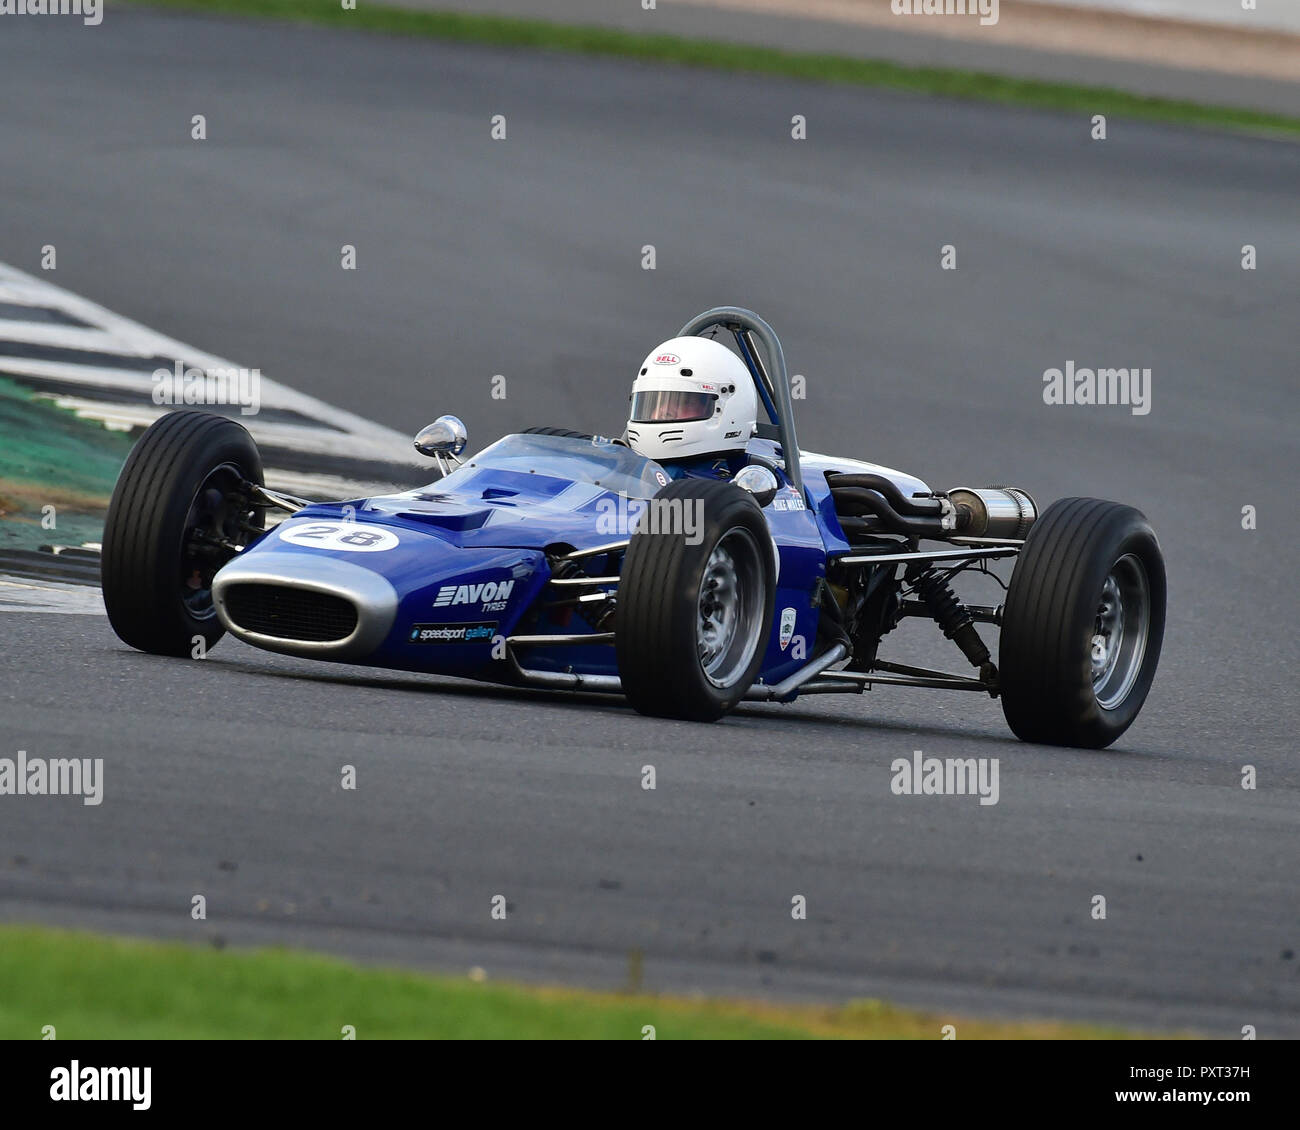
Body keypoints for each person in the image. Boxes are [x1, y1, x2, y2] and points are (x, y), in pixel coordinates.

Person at [623, 336, 758, 481]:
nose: (663, 411)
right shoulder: (626, 467)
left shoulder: (738, 486)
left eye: (684, 402)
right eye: (653, 402)